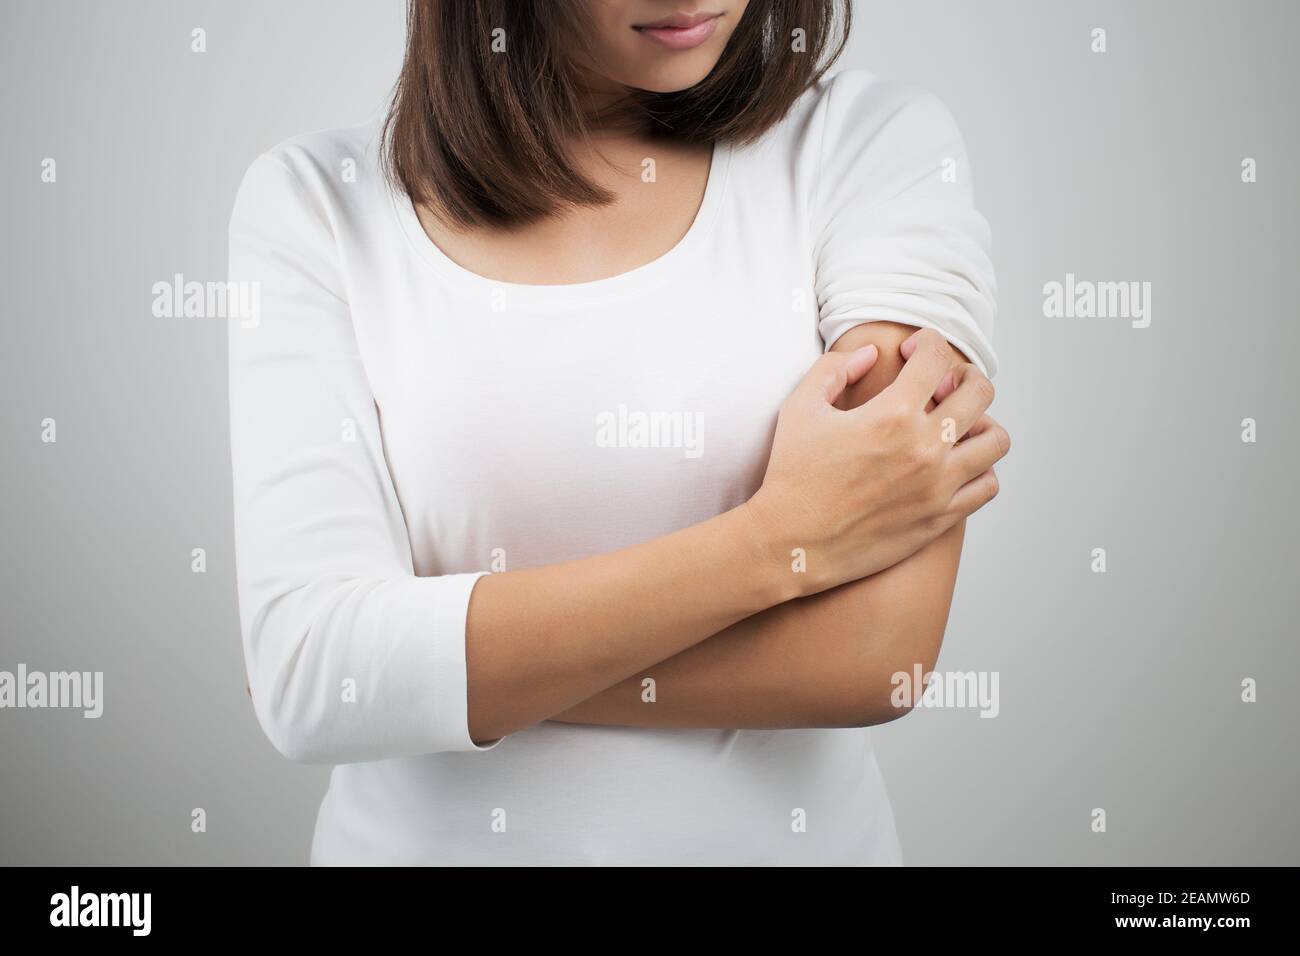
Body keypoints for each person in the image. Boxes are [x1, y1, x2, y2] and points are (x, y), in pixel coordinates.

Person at [227, 0, 1009, 865]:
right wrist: (780, 539)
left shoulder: (866, 146)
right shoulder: (317, 204)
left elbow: (874, 652)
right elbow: (315, 679)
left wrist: (431, 671)